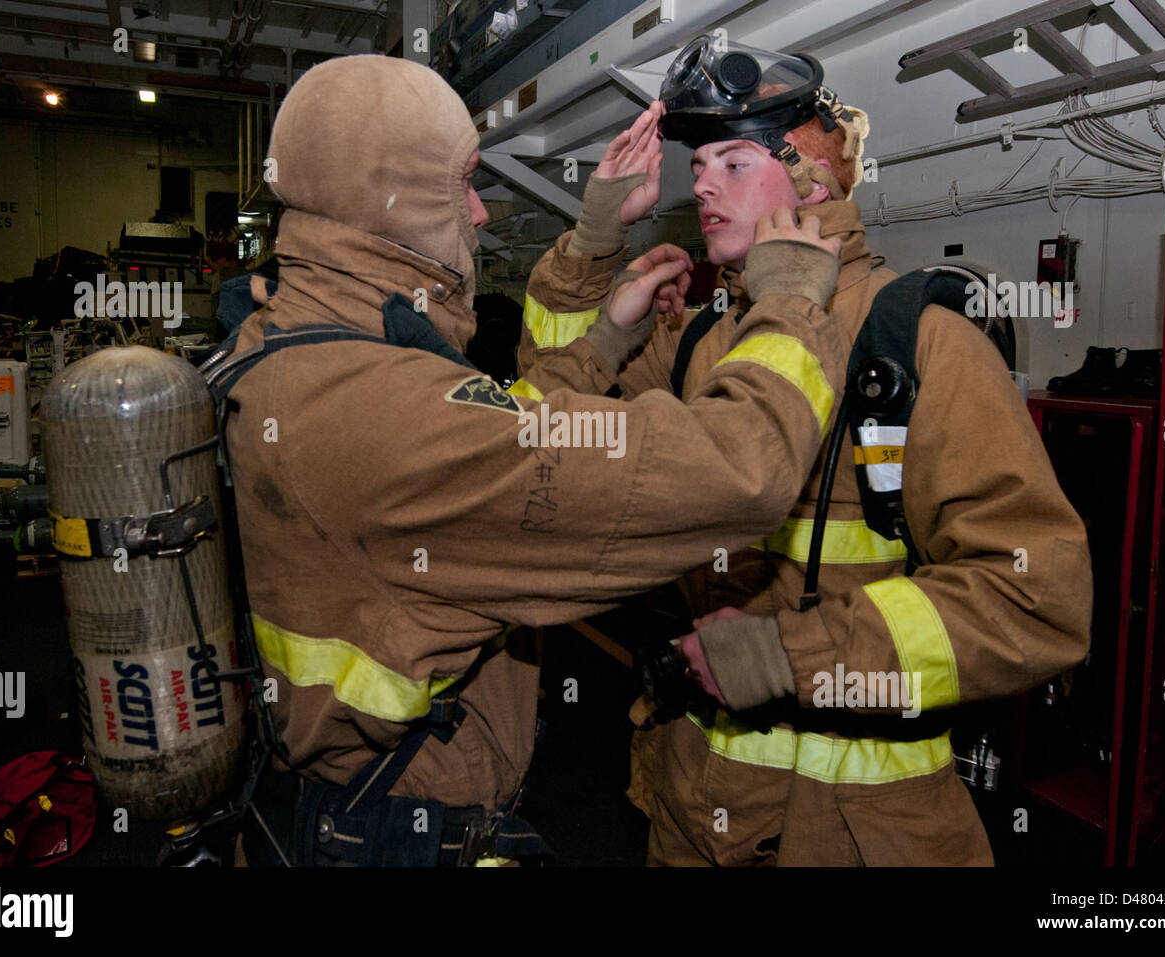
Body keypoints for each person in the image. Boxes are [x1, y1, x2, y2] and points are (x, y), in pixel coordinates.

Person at [225, 53, 854, 866]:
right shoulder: (380, 416)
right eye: (463, 184)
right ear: (397, 198)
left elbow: (507, 428)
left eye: (735, 161)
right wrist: (797, 304)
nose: (481, 215)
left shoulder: (296, 346)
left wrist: (605, 336)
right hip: (387, 827)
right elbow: (738, 469)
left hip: (327, 805)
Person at [518, 36, 1093, 865]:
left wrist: (785, 656)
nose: (702, 182)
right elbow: (542, 421)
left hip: (855, 829)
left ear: (814, 178)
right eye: (700, 162)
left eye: (735, 161)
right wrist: (592, 243)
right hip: (695, 804)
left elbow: (1037, 600)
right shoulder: (697, 342)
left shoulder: (922, 344)